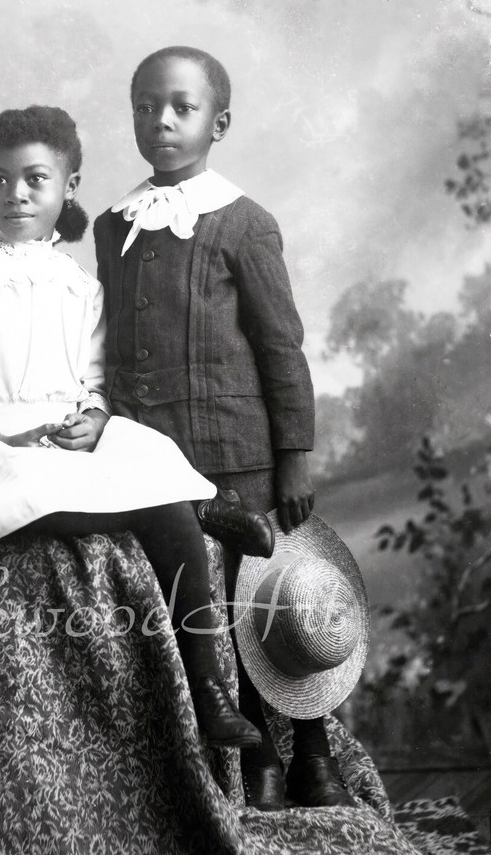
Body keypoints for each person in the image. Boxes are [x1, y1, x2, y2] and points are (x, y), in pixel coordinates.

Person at [0, 103, 274, 749]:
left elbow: (93, 381)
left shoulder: (80, 285)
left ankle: (208, 694)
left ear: (68, 186)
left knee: (147, 451)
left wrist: (94, 417)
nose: (15, 194)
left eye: (35, 179)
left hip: (61, 436)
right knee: (43, 485)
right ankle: (203, 508)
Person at [93, 46, 356, 810]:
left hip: (241, 453)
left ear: (219, 123)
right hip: (155, 461)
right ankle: (258, 760)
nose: (161, 121)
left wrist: (294, 455)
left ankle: (311, 753)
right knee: (205, 606)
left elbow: (281, 345)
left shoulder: (244, 223)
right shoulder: (114, 227)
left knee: (274, 598)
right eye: (146, 107)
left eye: (182, 107)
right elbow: (108, 342)